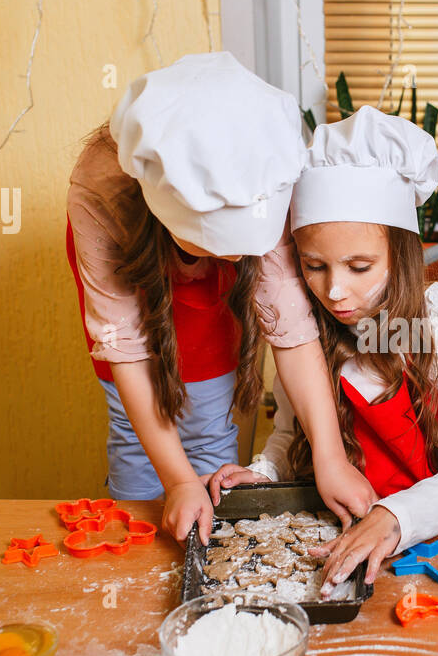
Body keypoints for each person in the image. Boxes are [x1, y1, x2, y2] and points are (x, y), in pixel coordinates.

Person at [66, 53, 376, 545]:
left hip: (212, 323)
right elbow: (125, 348)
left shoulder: (267, 166)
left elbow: (292, 332)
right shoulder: (101, 190)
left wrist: (331, 459)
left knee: (210, 449)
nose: (228, 258)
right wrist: (177, 483)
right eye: (213, 245)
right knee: (136, 450)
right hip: (135, 312)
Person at [207, 106, 438, 591]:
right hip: (332, 541)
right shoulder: (302, 330)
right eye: (314, 266)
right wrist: (261, 476)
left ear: (401, 253)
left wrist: (394, 516)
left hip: (434, 550)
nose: (334, 292)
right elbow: (289, 437)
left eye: (359, 266)